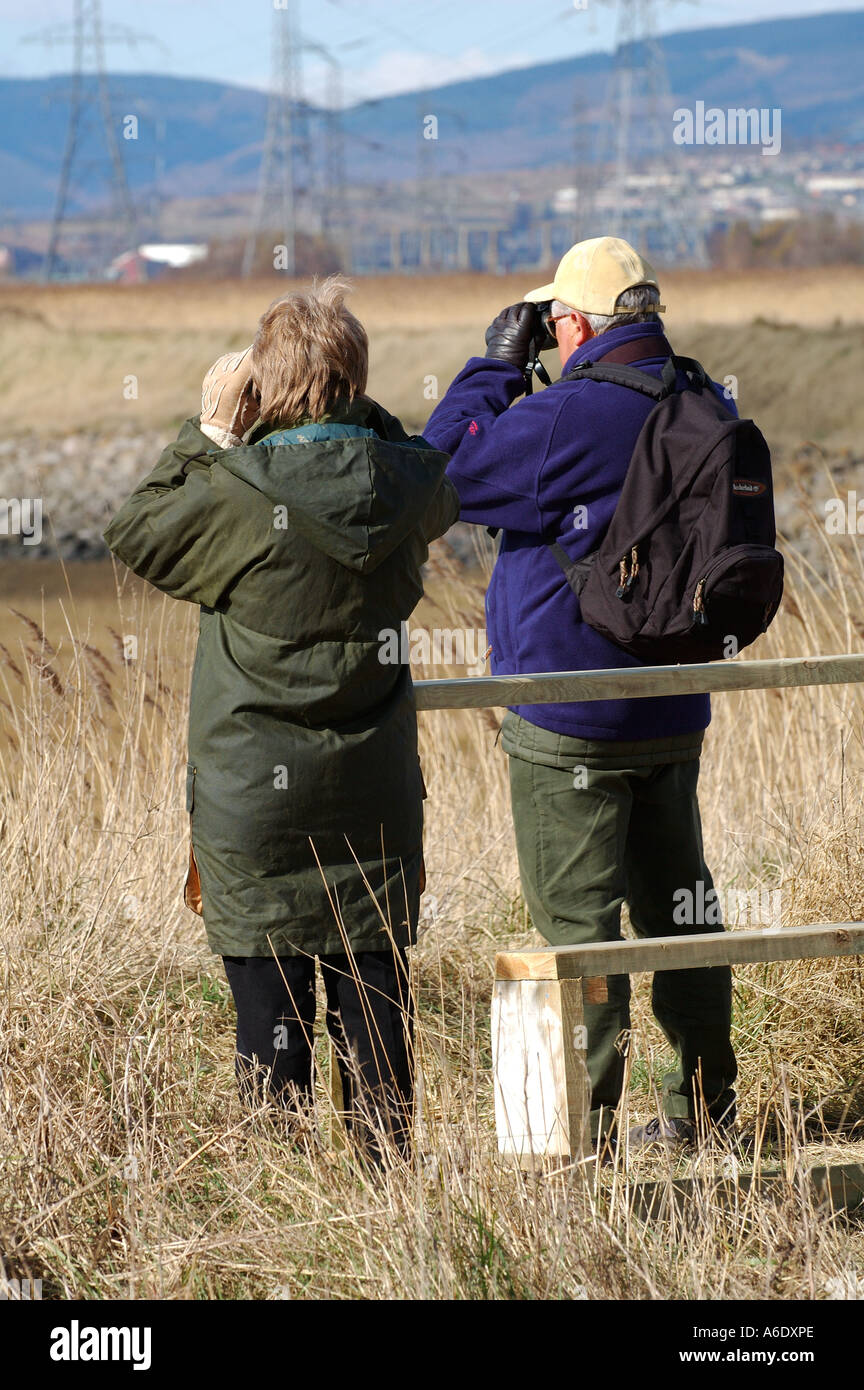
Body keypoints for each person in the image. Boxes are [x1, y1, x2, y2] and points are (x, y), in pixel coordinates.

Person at [104, 276, 459, 1164]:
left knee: (270, 1018)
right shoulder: (406, 483)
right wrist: (352, 406)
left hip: (252, 802)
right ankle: (388, 1195)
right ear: (355, 380)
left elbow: (136, 531)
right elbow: (425, 465)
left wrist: (213, 431)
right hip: (372, 792)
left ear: (270, 388)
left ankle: (287, 1200)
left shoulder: (237, 490)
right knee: (376, 1000)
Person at [423, 237, 738, 1156]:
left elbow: (434, 481)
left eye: (552, 324)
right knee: (683, 912)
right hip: (676, 703)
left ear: (569, 324)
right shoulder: (700, 395)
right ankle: (701, 1116)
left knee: (579, 935)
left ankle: (586, 1139)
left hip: (570, 715)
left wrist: (491, 369)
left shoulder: (568, 415)